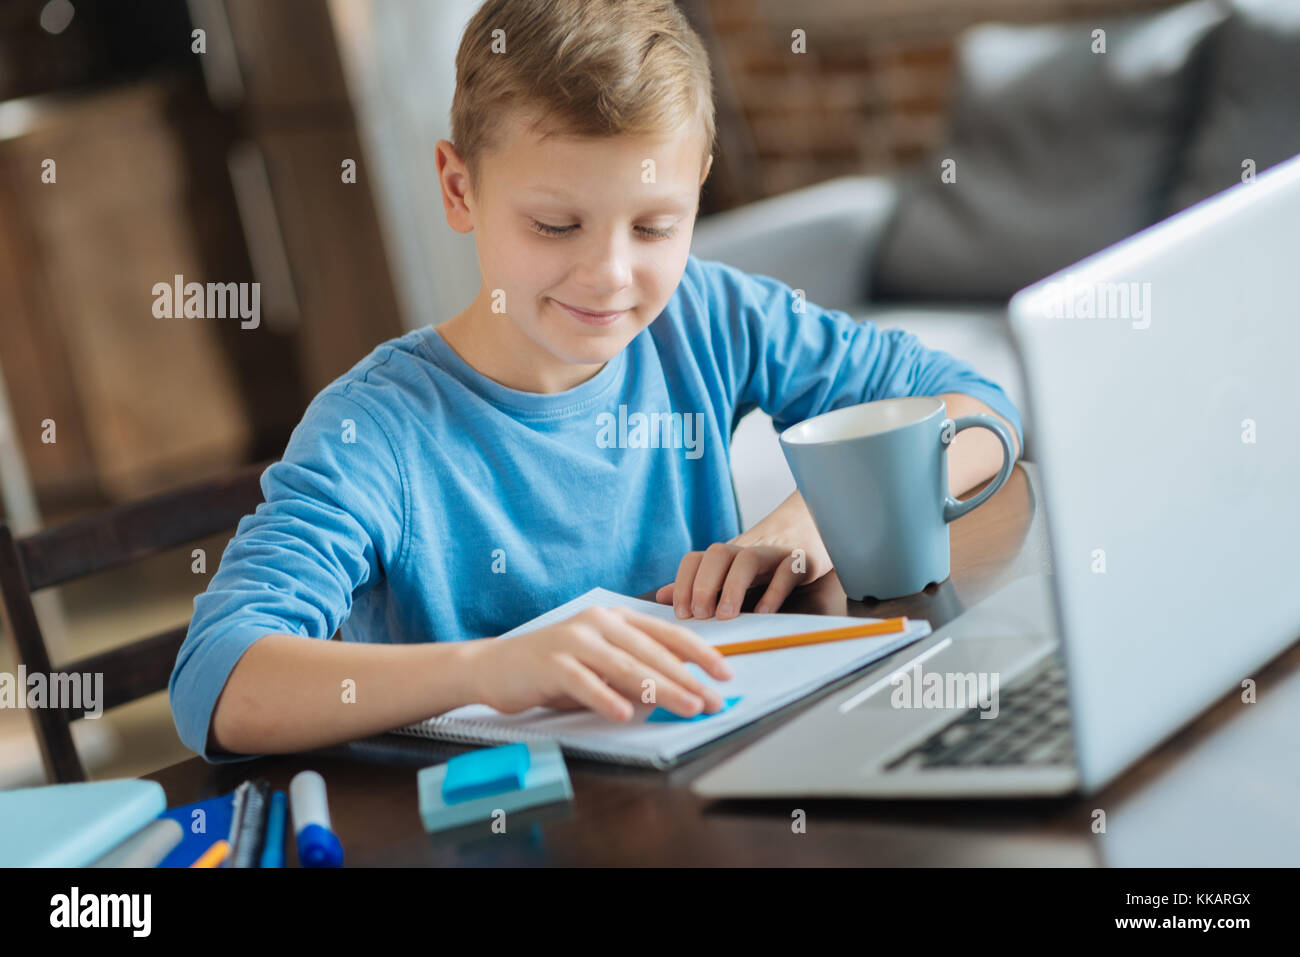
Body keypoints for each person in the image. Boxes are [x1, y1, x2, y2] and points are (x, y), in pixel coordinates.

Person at [170, 0, 1022, 762]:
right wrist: (492, 668)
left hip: (695, 791)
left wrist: (822, 516)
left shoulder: (709, 317)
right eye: (554, 224)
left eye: (655, 226)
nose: (610, 275)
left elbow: (978, 408)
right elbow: (217, 679)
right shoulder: (379, 429)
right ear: (459, 188)